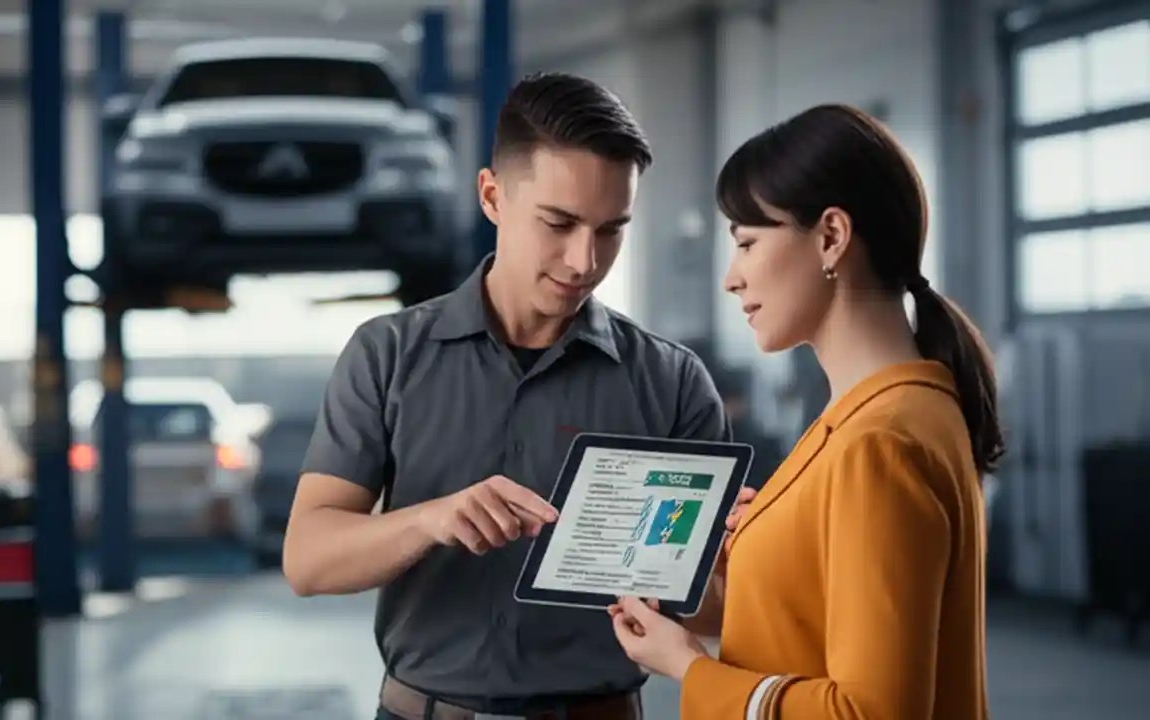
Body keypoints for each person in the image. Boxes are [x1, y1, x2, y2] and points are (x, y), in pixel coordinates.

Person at [283, 71, 734, 720]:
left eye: (611, 230)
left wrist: (686, 566)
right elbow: (308, 561)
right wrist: (428, 520)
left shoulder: (672, 381)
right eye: (559, 222)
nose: (584, 260)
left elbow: (717, 606)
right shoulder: (387, 355)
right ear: (492, 196)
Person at [608, 104, 1003, 720]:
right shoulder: (884, 415)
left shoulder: (879, 442)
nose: (732, 279)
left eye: (746, 243)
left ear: (831, 237)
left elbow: (870, 712)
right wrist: (734, 562)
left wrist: (689, 667)